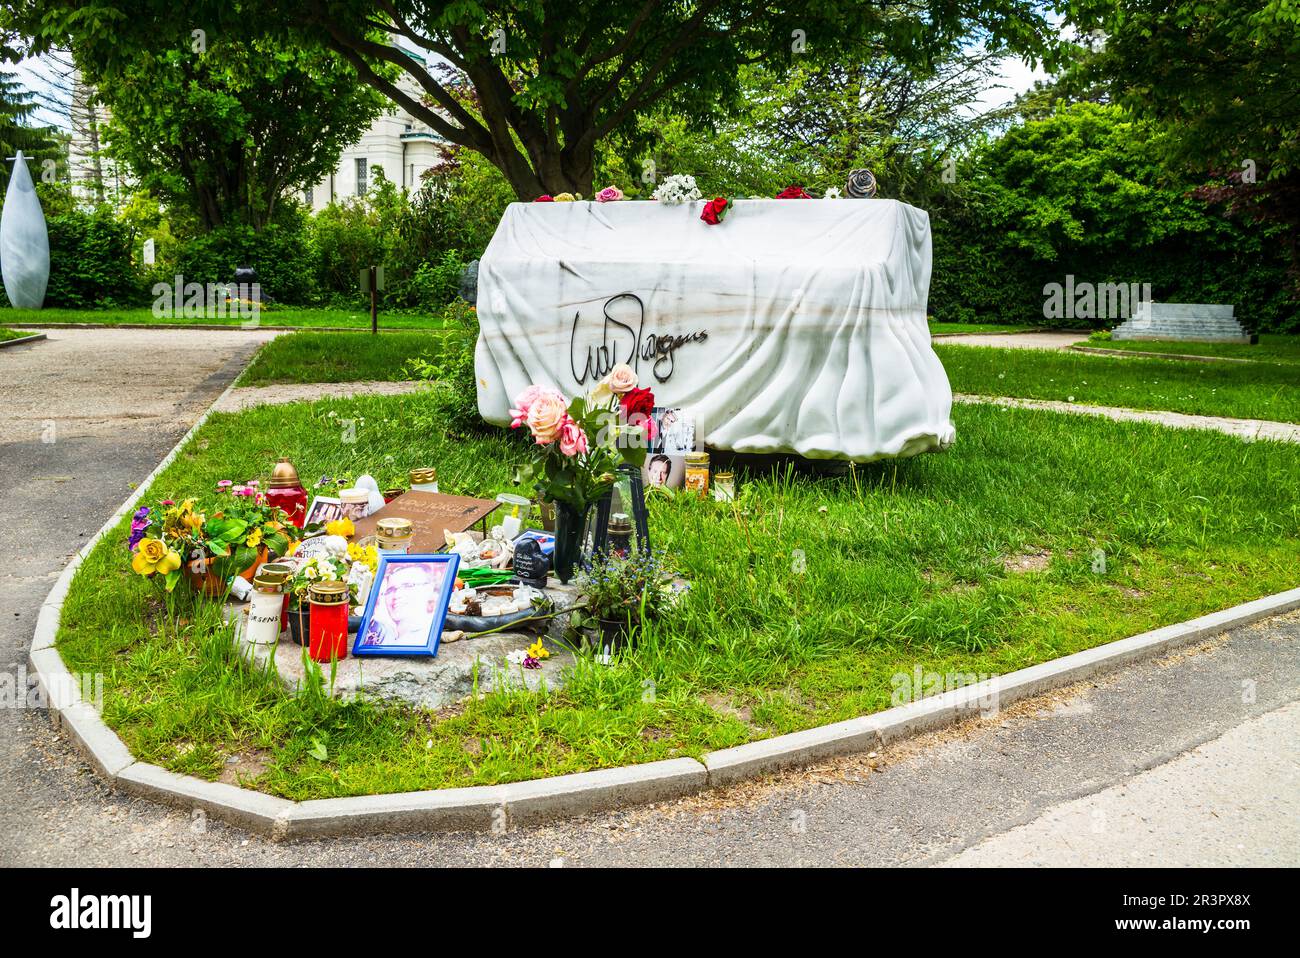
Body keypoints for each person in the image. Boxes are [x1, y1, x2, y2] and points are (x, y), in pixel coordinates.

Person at [361, 562, 445, 646]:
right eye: (390, 590)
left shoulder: (425, 637)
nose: (397, 595)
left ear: (429, 588)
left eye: (408, 586)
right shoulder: (382, 635)